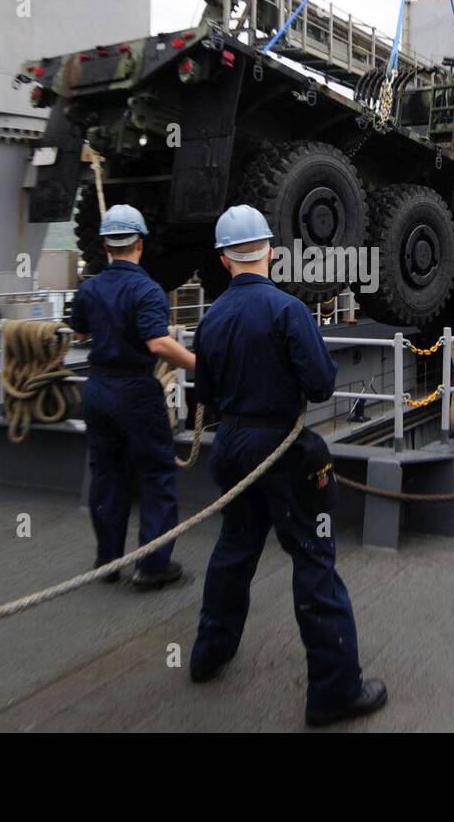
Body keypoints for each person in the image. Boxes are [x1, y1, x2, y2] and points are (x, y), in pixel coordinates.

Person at [190, 204, 387, 726]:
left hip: (230, 445)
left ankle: (208, 655)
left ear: (224, 259)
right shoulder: (288, 310)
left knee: (235, 546)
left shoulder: (208, 319)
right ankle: (335, 692)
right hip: (278, 446)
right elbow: (321, 383)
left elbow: (204, 394)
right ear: (271, 252)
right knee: (313, 558)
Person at [67, 204, 194, 588]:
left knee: (106, 475)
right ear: (140, 242)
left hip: (97, 389)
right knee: (156, 473)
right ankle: (152, 565)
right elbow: (157, 342)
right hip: (135, 391)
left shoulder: (89, 287)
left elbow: (78, 333)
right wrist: (197, 363)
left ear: (106, 244)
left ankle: (108, 561)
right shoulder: (147, 290)